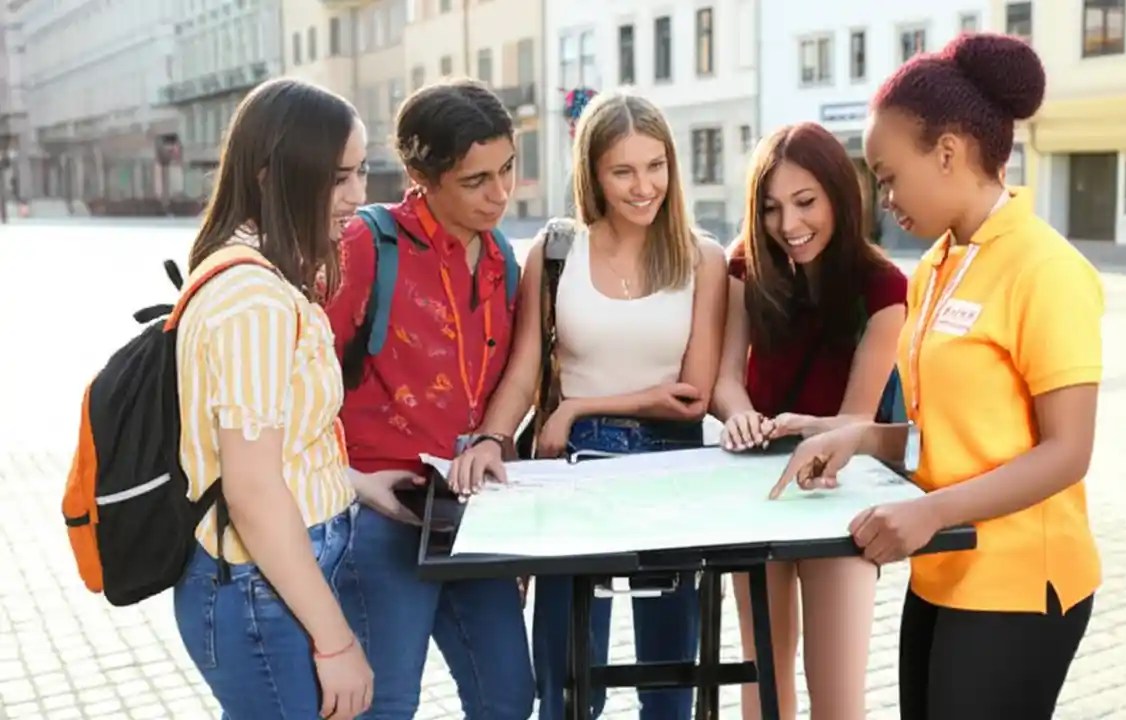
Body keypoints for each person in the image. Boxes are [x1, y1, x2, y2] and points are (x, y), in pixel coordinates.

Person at [771, 33, 1101, 720]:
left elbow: (1068, 452)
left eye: (888, 176)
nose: (882, 197)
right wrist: (859, 437)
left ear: (947, 152)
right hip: (943, 567)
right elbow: (939, 438)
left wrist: (930, 511)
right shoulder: (937, 270)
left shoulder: (1047, 269)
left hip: (1017, 583)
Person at [448, 90, 729, 720]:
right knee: (566, 678)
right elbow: (522, 373)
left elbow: (690, 398)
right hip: (569, 471)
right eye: (623, 170)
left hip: (670, 465)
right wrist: (492, 441)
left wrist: (579, 408)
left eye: (655, 166)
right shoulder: (555, 252)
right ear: (594, 174)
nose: (643, 187)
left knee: (670, 677)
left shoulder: (702, 258)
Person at [323, 78, 534, 719]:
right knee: (384, 706)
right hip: (382, 516)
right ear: (422, 174)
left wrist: (500, 453)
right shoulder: (364, 246)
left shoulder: (501, 255)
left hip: (471, 514)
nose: (500, 194)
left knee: (507, 697)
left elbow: (510, 385)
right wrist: (349, 480)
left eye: (507, 170)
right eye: (477, 180)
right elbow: (295, 384)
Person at [171, 78, 373, 720]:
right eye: (338, 178)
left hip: (274, 582)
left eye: (361, 172)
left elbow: (278, 448)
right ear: (271, 176)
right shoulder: (252, 299)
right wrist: (336, 640)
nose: (358, 197)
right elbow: (253, 492)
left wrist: (359, 484)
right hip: (263, 590)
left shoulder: (262, 277)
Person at [712, 122, 907, 720]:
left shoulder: (884, 288)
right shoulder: (744, 266)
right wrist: (740, 416)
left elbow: (854, 419)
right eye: (770, 208)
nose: (788, 225)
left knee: (838, 696)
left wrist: (809, 429)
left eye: (805, 203)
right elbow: (725, 380)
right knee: (763, 684)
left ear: (839, 196)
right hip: (758, 490)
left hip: (839, 497)